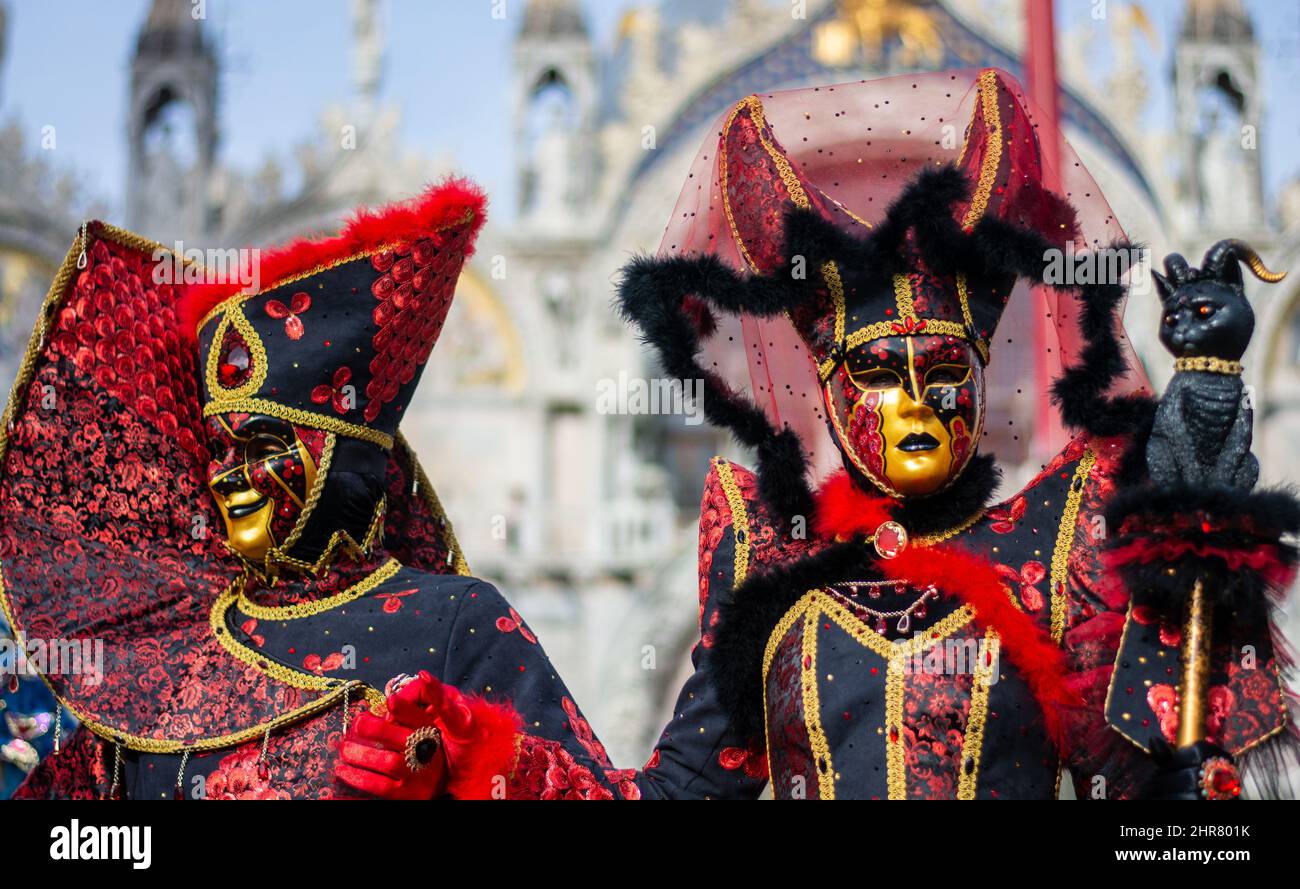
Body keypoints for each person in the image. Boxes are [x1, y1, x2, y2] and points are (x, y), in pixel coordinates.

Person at [337, 69, 1297, 800]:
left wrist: (1205, 400)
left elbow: (1151, 773)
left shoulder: (1055, 546)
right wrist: (469, 759)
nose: (915, 403)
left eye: (945, 372)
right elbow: (675, 793)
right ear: (830, 390)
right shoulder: (770, 564)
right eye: (880, 374)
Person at [3, 181, 605, 799]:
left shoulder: (458, 623)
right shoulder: (172, 651)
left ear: (336, 457)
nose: (224, 476)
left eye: (259, 449)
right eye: (221, 452)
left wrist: (469, 767)